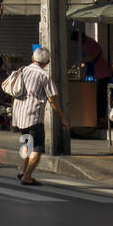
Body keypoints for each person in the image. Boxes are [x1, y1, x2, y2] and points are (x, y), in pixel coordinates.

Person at [11, 46, 70, 186]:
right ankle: (27, 176)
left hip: (20, 116)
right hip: (33, 117)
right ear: (48, 62)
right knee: (37, 147)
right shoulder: (44, 76)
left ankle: (23, 171)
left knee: (27, 144)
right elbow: (52, 99)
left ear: (32, 58)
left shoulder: (22, 70)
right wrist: (62, 117)